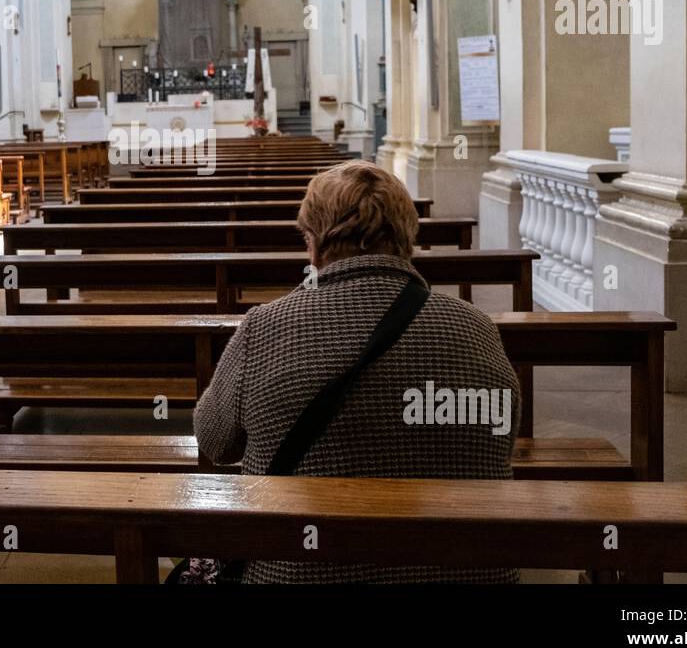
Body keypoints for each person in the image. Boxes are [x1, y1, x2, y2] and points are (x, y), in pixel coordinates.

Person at [193, 160, 521, 583]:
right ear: (408, 236)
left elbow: (216, 442)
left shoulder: (266, 326)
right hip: (468, 574)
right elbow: (503, 438)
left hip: (302, 573)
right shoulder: (475, 326)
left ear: (312, 244)